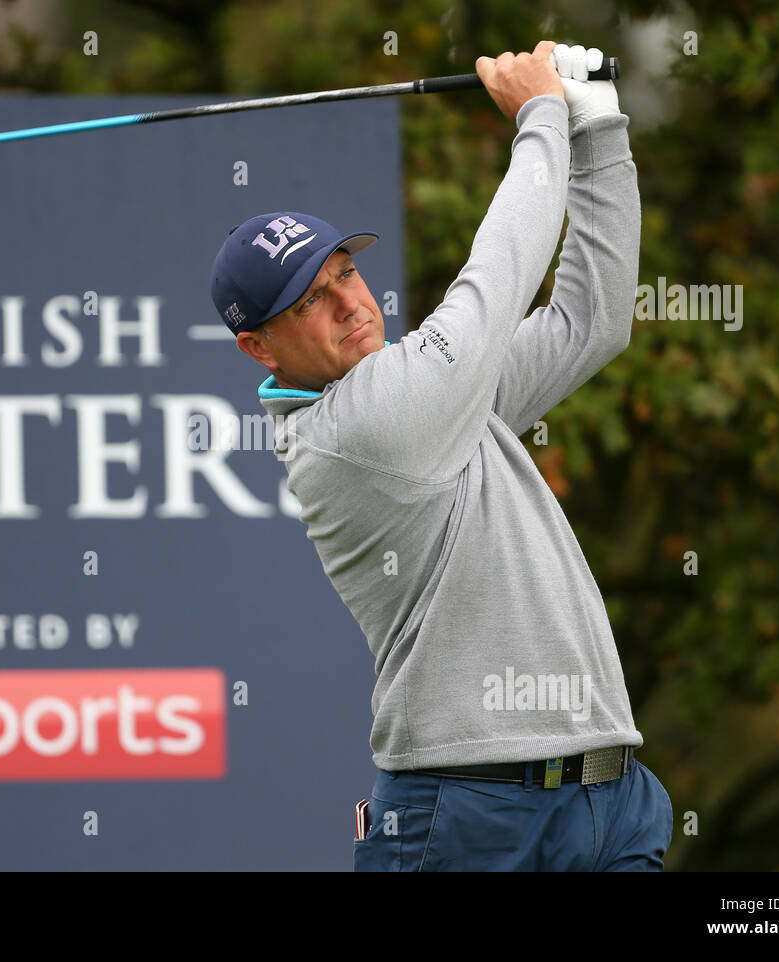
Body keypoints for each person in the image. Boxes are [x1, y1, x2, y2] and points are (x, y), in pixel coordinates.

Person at [208, 40, 672, 871]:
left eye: (346, 272)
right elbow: (497, 281)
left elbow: (590, 321)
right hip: (469, 816)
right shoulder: (361, 427)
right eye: (311, 299)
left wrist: (599, 129)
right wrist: (540, 115)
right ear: (258, 348)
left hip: (610, 798)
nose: (350, 302)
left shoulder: (440, 405)